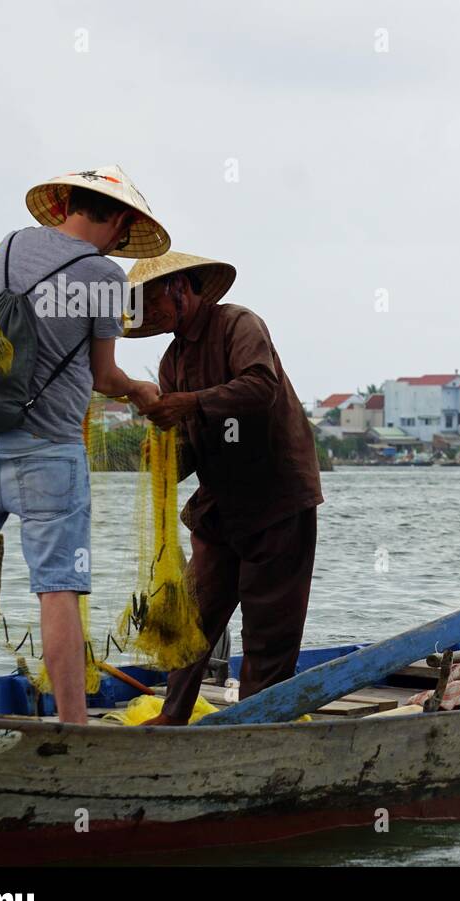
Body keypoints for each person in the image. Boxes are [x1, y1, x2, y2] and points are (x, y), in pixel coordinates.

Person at [0, 166, 167, 724]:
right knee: (58, 589)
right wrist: (140, 390)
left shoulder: (11, 245)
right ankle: (74, 728)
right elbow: (103, 376)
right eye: (124, 230)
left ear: (65, 202)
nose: (121, 240)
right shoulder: (104, 276)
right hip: (47, 450)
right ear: (119, 220)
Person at [124, 252, 322, 725]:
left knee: (268, 626)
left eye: (152, 301)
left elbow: (259, 389)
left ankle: (258, 723)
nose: (148, 314)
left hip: (275, 497)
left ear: (181, 289)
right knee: (192, 615)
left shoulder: (238, 324)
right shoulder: (173, 360)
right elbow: (194, 445)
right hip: (222, 508)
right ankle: (173, 714)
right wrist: (167, 461)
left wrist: (188, 403)